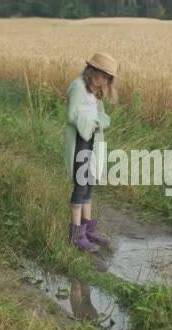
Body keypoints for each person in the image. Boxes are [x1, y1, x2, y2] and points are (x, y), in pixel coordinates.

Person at [64, 53, 118, 252]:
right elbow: (71, 115)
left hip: (93, 139)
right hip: (81, 139)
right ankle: (76, 235)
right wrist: (90, 124)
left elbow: (100, 114)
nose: (103, 80)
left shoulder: (95, 90)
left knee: (89, 182)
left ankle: (88, 230)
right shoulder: (78, 86)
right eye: (101, 74)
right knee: (80, 183)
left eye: (107, 77)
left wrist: (99, 122)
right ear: (92, 70)